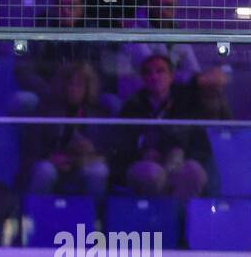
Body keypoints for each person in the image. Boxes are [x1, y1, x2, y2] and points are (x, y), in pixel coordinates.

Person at [112, 53, 217, 199]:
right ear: (143, 78)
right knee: (151, 174)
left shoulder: (188, 104)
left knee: (193, 172)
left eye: (160, 71)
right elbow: (121, 148)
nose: (154, 77)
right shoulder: (132, 107)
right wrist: (142, 153)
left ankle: (181, 217)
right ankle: (158, 218)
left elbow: (200, 142)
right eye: (148, 73)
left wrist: (180, 152)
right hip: (144, 162)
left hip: (180, 160)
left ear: (171, 76)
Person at [26, 61, 111, 196]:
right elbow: (32, 146)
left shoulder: (99, 113)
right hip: (53, 163)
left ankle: (95, 214)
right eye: (70, 84)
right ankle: (32, 213)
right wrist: (49, 158)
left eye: (79, 85)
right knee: (44, 170)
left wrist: (92, 151)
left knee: (98, 171)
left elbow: (108, 149)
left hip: (84, 162)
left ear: (87, 87)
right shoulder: (45, 110)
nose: (73, 89)